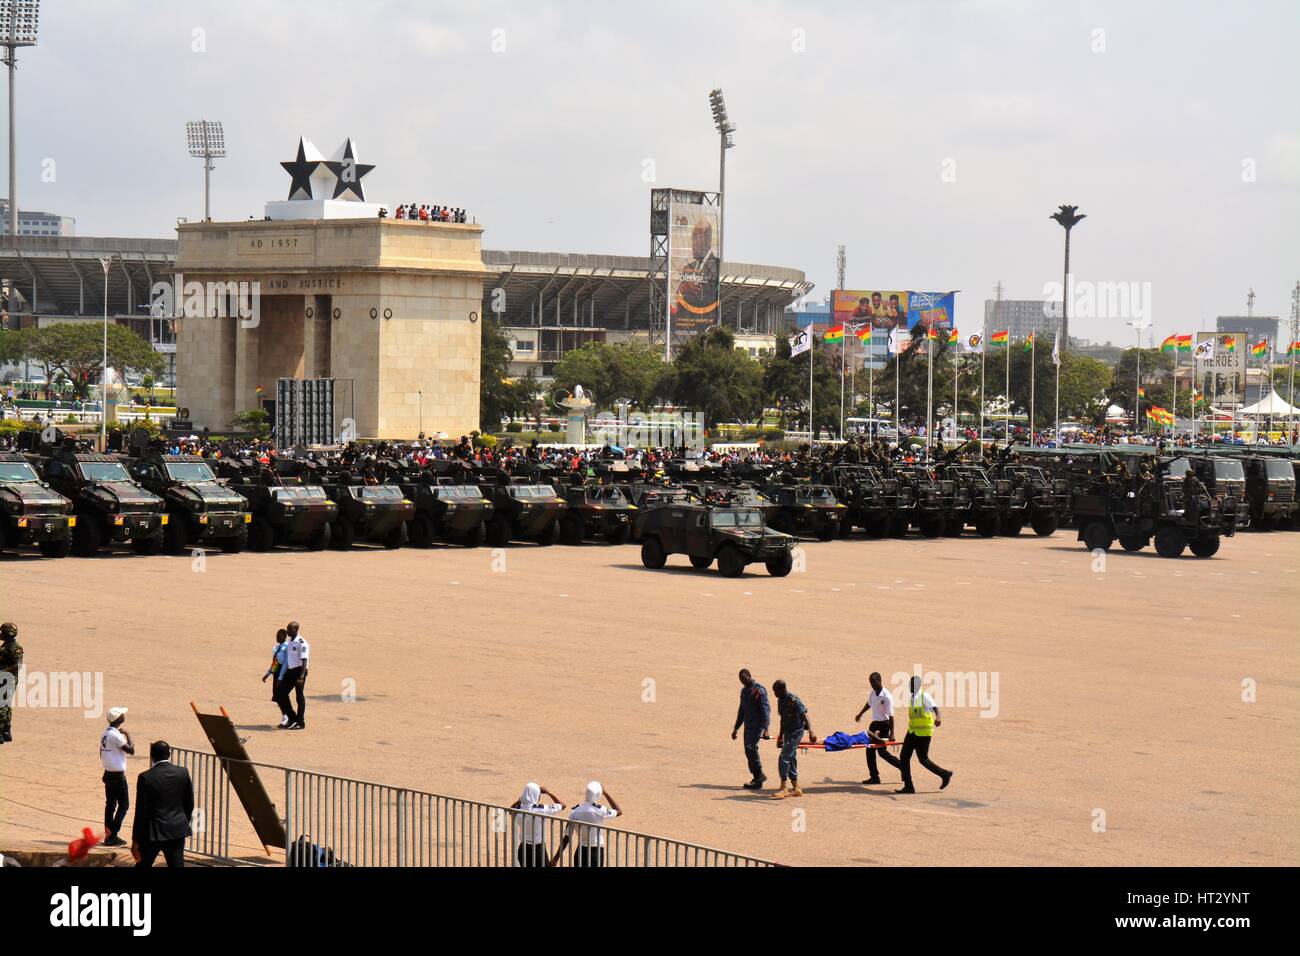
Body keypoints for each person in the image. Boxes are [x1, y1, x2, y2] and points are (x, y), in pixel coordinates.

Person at [131, 740, 194, 868]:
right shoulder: (183, 773)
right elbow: (189, 803)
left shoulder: (146, 777)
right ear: (169, 755)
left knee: (143, 864)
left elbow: (141, 811)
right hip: (176, 831)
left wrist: (135, 839)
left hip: (152, 833)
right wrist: (181, 821)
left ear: (152, 756)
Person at [896, 676, 953, 794]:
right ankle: (908, 786)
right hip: (912, 732)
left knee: (923, 759)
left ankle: (944, 774)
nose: (909, 687)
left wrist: (938, 718)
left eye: (911, 685)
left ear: (917, 686)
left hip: (923, 734)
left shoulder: (924, 696)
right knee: (904, 757)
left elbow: (936, 708)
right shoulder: (912, 698)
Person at [551, 782, 622, 867]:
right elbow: (618, 811)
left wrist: (556, 858)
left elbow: (567, 837)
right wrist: (606, 793)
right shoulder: (601, 810)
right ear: (598, 794)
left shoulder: (575, 811)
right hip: (596, 852)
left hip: (580, 852)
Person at [854, 671, 901, 785]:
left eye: (874, 682)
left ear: (879, 681)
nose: (872, 685)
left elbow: (891, 715)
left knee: (882, 752)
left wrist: (892, 733)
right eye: (871, 683)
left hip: (885, 725)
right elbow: (869, 704)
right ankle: (874, 777)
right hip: (875, 725)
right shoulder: (873, 693)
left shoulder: (886, 696)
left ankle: (902, 766)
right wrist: (860, 714)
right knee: (869, 750)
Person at [771, 680, 815, 799]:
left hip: (796, 732)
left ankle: (783, 787)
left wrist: (811, 731)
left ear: (782, 689)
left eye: (775, 691)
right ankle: (796, 788)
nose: (774, 694)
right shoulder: (780, 700)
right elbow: (783, 719)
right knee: (791, 757)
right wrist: (780, 736)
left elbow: (805, 714)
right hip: (788, 732)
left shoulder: (793, 700)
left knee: (784, 757)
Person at [100, 706, 135, 846]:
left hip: (108, 773)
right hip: (117, 776)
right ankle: (113, 835)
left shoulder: (105, 733)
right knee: (124, 805)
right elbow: (131, 750)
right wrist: (127, 734)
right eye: (121, 714)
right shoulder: (116, 735)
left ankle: (108, 834)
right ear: (118, 719)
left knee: (110, 805)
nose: (123, 715)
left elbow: (101, 753)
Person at [731, 669, 771, 789]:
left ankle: (758, 776)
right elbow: (741, 710)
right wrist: (736, 728)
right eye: (741, 680)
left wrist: (766, 728)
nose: (743, 682)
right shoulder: (744, 691)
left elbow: (766, 711)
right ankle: (757, 777)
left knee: (751, 747)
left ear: (750, 676)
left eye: (744, 679)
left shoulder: (759, 691)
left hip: (757, 725)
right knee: (748, 750)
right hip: (748, 726)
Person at [510, 782, 566, 868]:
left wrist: (521, 799)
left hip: (523, 848)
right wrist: (548, 793)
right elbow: (562, 805)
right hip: (538, 850)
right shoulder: (541, 809)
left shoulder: (518, 808)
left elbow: (510, 810)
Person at [281, 621, 310, 730]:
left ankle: (300, 722)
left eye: (289, 629)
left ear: (295, 630)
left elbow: (304, 660)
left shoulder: (302, 643)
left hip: (299, 671)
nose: (287, 631)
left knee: (299, 696)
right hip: (290, 671)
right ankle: (292, 718)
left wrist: (301, 676)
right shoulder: (290, 641)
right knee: (281, 694)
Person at [263, 628, 291, 728]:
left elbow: (286, 663)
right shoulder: (276, 647)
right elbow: (275, 662)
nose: (277, 638)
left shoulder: (287, 647)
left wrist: (281, 677)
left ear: (284, 636)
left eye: (279, 636)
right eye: (276, 636)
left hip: (283, 673)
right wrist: (268, 673)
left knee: (281, 695)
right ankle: (284, 715)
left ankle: (288, 716)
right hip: (277, 671)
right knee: (276, 695)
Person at [0, 622, 22, 744]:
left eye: (2, 632)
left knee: (2, 706)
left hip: (7, 679)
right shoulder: (6, 646)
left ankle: (1, 733)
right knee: (5, 705)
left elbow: (17, 666)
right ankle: (6, 732)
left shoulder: (15, 648)